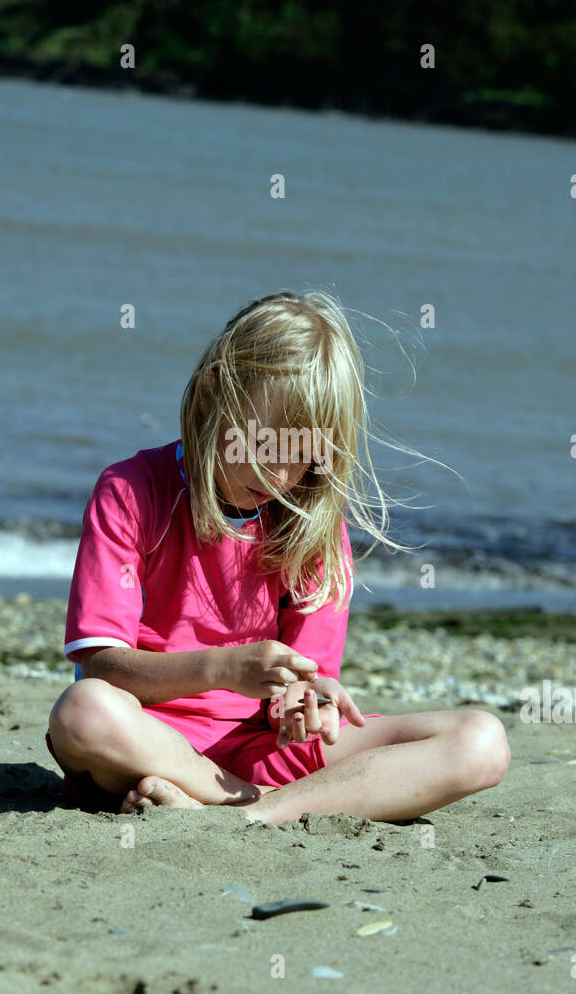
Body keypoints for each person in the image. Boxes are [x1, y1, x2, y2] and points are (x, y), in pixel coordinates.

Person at [46, 291, 509, 821]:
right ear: (209, 397)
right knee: (83, 712)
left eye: (305, 459)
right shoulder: (132, 492)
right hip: (146, 741)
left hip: (263, 753)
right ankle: (252, 803)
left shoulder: (311, 523)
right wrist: (223, 668)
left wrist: (307, 704)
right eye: (266, 447)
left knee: (482, 740)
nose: (282, 479)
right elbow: (102, 665)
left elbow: (308, 680)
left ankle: (250, 811)